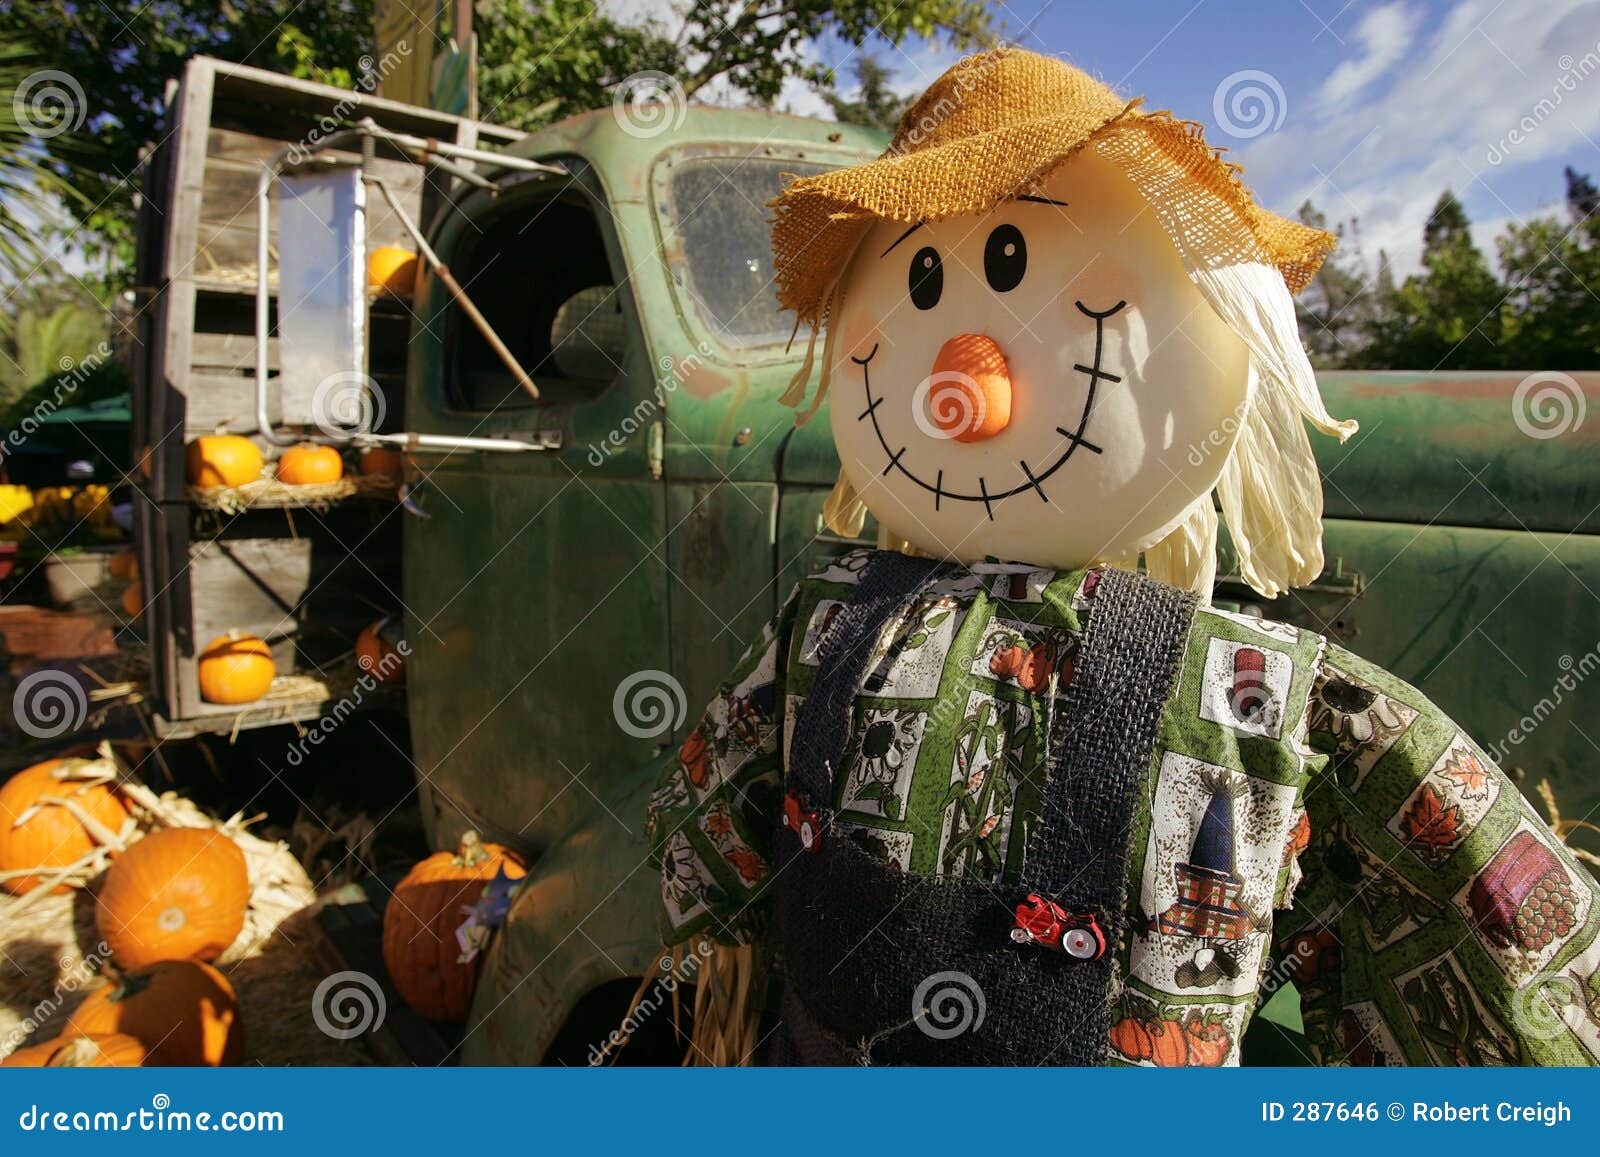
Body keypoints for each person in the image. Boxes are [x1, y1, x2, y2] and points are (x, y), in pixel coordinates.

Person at [645, 48, 1600, 1066]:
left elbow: (1456, 869)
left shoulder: (1252, 689)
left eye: (1012, 267)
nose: (971, 371)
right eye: (921, 276)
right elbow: (717, 811)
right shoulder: (826, 623)